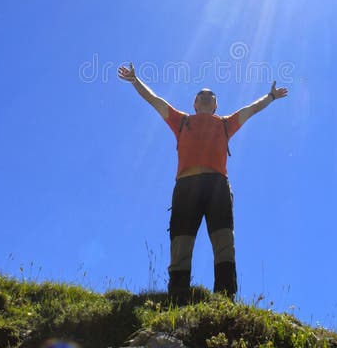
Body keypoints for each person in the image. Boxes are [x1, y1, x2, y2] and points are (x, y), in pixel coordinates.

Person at [118, 62, 288, 300]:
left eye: (211, 96)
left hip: (217, 187)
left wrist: (270, 96)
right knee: (181, 242)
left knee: (224, 241)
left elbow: (250, 110)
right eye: (202, 95)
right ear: (195, 104)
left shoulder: (225, 124)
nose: (206, 97)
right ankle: (178, 297)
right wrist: (135, 81)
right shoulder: (181, 121)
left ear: (216, 105)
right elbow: (155, 100)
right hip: (186, 187)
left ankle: (225, 299)